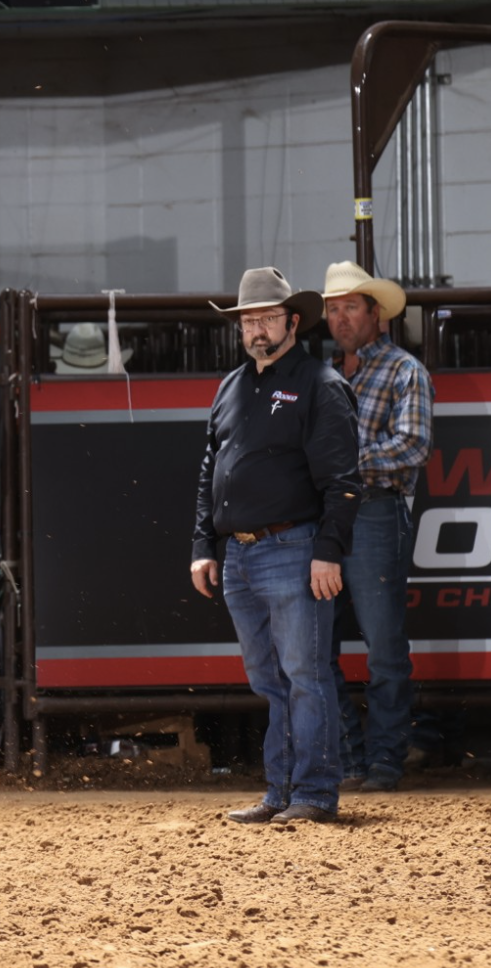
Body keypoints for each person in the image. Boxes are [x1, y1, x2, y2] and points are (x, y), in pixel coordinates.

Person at [190, 267, 362, 826]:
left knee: (305, 675)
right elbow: (211, 468)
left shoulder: (320, 384)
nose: (256, 328)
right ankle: (282, 791)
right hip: (239, 554)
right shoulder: (231, 386)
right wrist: (203, 543)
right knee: (271, 679)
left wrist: (328, 550)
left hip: (295, 546)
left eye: (267, 317)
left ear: (292, 321)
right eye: (248, 319)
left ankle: (313, 793)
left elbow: (343, 479)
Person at [322, 261, 433, 794]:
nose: (341, 318)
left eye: (350, 307)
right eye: (333, 309)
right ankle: (354, 755)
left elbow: (412, 446)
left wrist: (342, 465)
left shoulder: (404, 370)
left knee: (383, 644)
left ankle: (383, 758)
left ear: (376, 315)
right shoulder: (319, 374)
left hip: (371, 511)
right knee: (314, 644)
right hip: (324, 516)